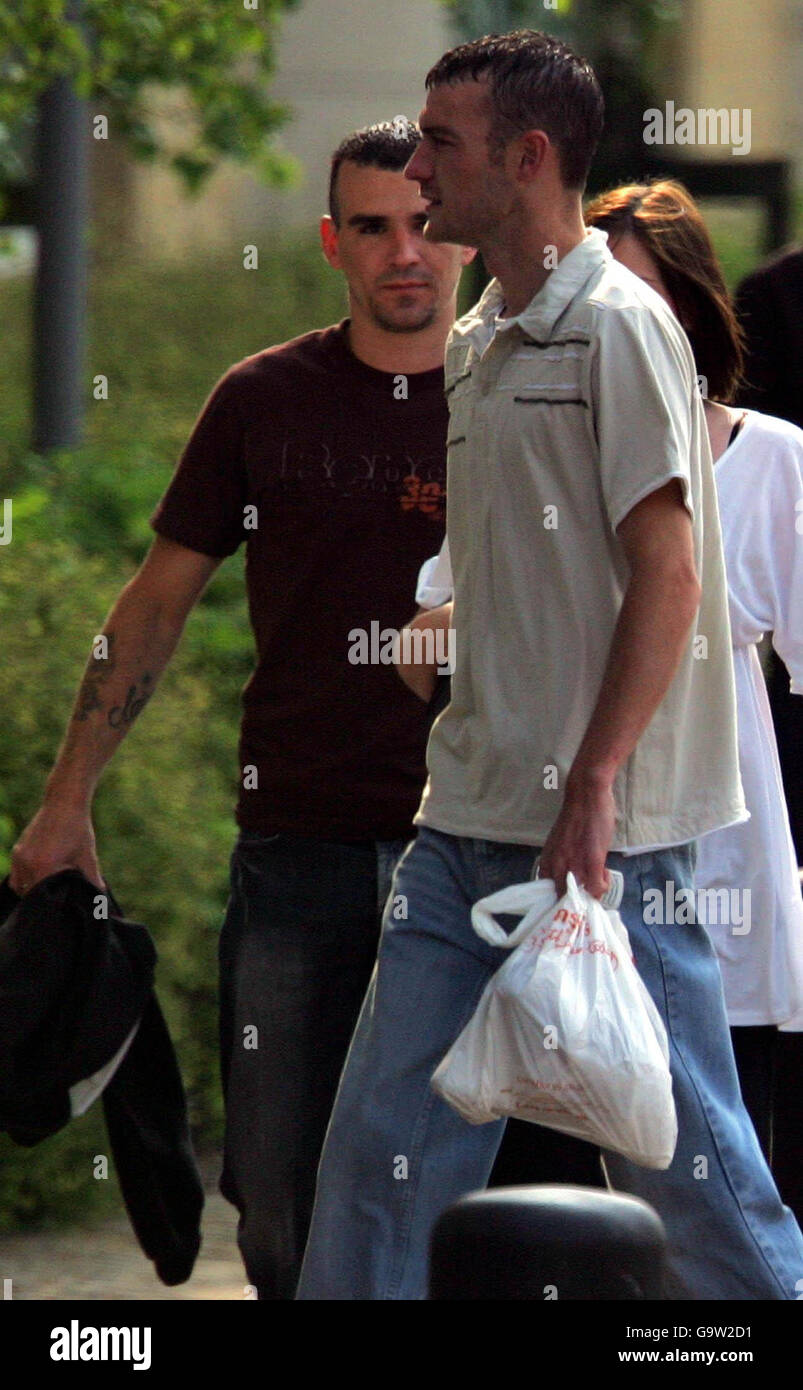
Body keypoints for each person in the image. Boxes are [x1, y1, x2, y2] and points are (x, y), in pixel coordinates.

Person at [295, 31, 803, 1300]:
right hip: (461, 825)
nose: (415, 170)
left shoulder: (622, 329)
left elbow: (671, 575)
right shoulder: (482, 336)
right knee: (378, 1157)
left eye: (439, 143)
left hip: (611, 847)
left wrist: (592, 788)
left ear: (525, 160)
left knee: (693, 1185)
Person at [10, 120, 474, 1301]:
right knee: (275, 1198)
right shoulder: (264, 399)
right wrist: (68, 802)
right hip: (298, 847)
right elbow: (156, 604)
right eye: (372, 226)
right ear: (331, 243)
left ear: (462, 231)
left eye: (424, 222)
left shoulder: (523, 390)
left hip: (477, 851)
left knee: (462, 1204)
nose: (403, 251)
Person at [582, 180, 803, 1227]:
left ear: (691, 312)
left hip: (723, 894)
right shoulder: (531, 451)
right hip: (561, 890)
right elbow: (425, 634)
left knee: (721, 1202)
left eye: (641, 299)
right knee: (577, 1216)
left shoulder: (773, 464)